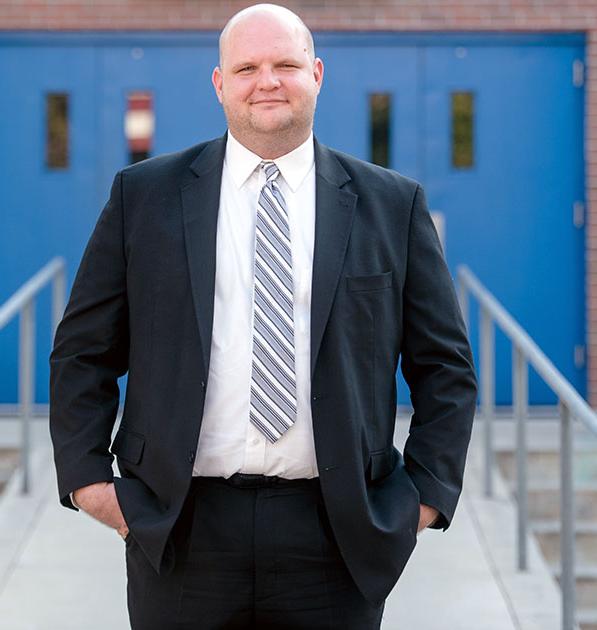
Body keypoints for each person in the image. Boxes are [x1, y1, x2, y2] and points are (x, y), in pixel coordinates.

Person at [49, 4, 477, 628]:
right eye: (246, 68)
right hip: (179, 530)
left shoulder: (392, 204)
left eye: (285, 65)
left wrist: (423, 499)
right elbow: (83, 351)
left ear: (317, 74)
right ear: (220, 83)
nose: (267, 82)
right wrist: (90, 483)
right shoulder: (143, 196)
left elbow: (446, 368)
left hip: (338, 535)